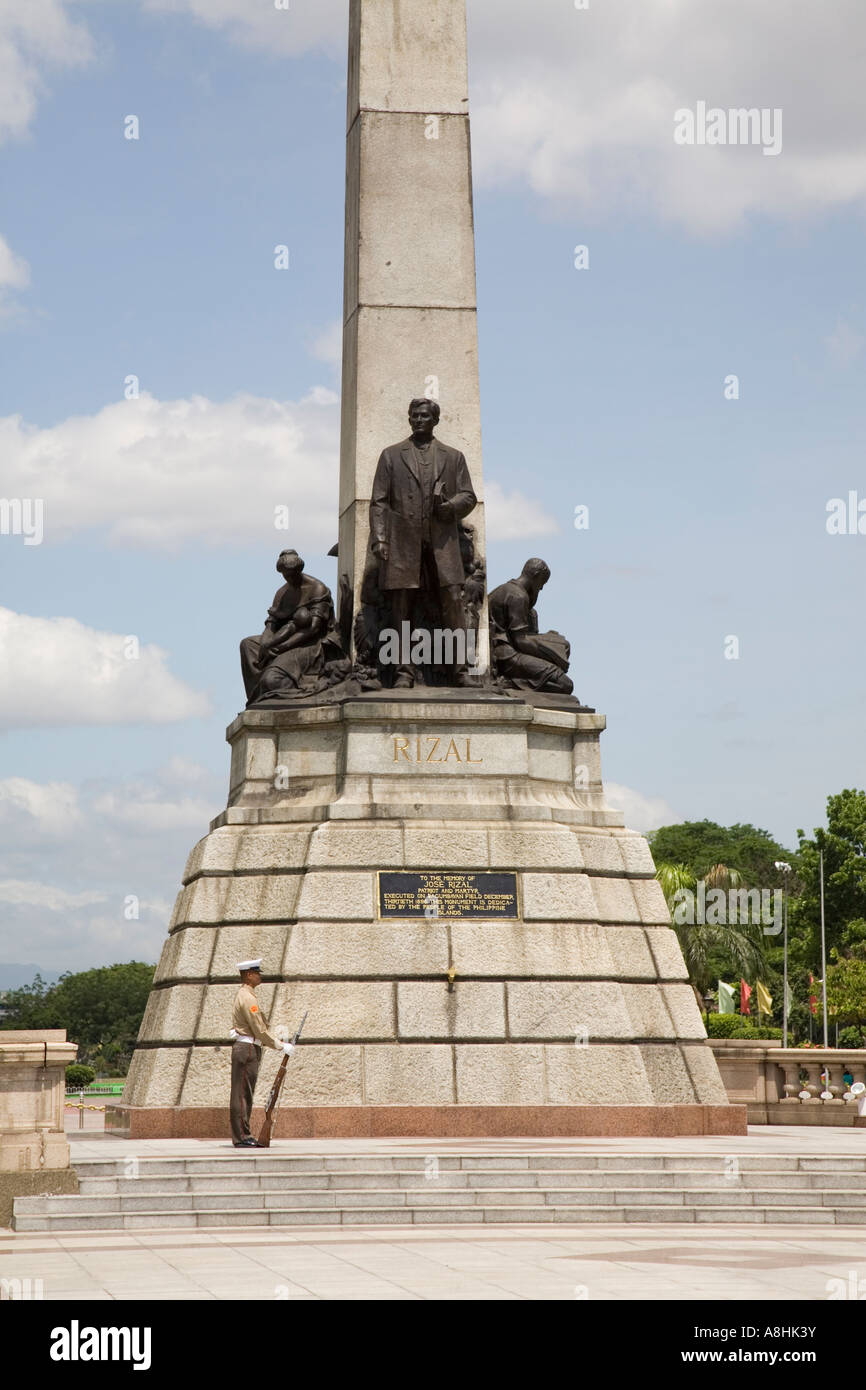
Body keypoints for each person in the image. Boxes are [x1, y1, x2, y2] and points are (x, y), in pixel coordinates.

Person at [369, 398, 477, 687]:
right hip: (403, 542)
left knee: (454, 601)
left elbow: (468, 495)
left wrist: (450, 507)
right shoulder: (391, 455)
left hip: (442, 542)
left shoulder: (453, 457)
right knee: (401, 606)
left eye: (424, 416)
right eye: (414, 416)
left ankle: (460, 670)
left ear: (435, 420)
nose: (418, 420)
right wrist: (380, 538)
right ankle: (403, 671)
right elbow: (378, 501)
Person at [240, 550, 340, 703]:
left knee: (271, 680)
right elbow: (271, 624)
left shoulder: (317, 588)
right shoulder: (282, 592)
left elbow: (313, 629)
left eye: (292, 574)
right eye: (286, 575)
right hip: (283, 638)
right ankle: (257, 696)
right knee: (248, 644)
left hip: (310, 643)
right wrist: (266, 644)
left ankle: (273, 688)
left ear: (300, 571)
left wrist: (281, 647)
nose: (289, 579)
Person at [230, 959, 294, 1148]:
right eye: (257, 972)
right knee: (242, 1094)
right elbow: (258, 1029)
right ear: (249, 975)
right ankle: (242, 1136)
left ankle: (243, 1134)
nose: (260, 976)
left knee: (243, 1093)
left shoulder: (245, 994)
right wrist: (280, 1045)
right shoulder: (248, 998)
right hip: (248, 1048)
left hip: (247, 1046)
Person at [488, 558, 574, 695]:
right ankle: (508, 682)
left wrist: (548, 639)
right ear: (535, 576)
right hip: (507, 656)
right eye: (542, 583)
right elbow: (520, 641)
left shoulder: (504, 589)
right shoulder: (518, 596)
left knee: (559, 644)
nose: (541, 588)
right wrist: (555, 654)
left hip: (505, 651)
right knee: (565, 684)